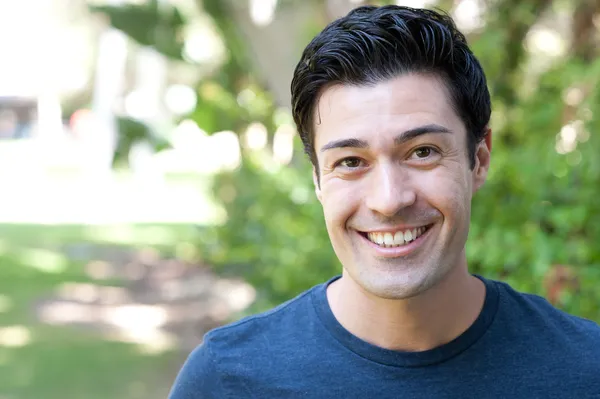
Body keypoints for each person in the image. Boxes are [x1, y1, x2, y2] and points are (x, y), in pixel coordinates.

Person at [169, 5, 600, 398]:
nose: (389, 200)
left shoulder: (585, 372)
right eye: (352, 161)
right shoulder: (227, 381)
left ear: (479, 159)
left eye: (423, 152)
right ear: (318, 178)